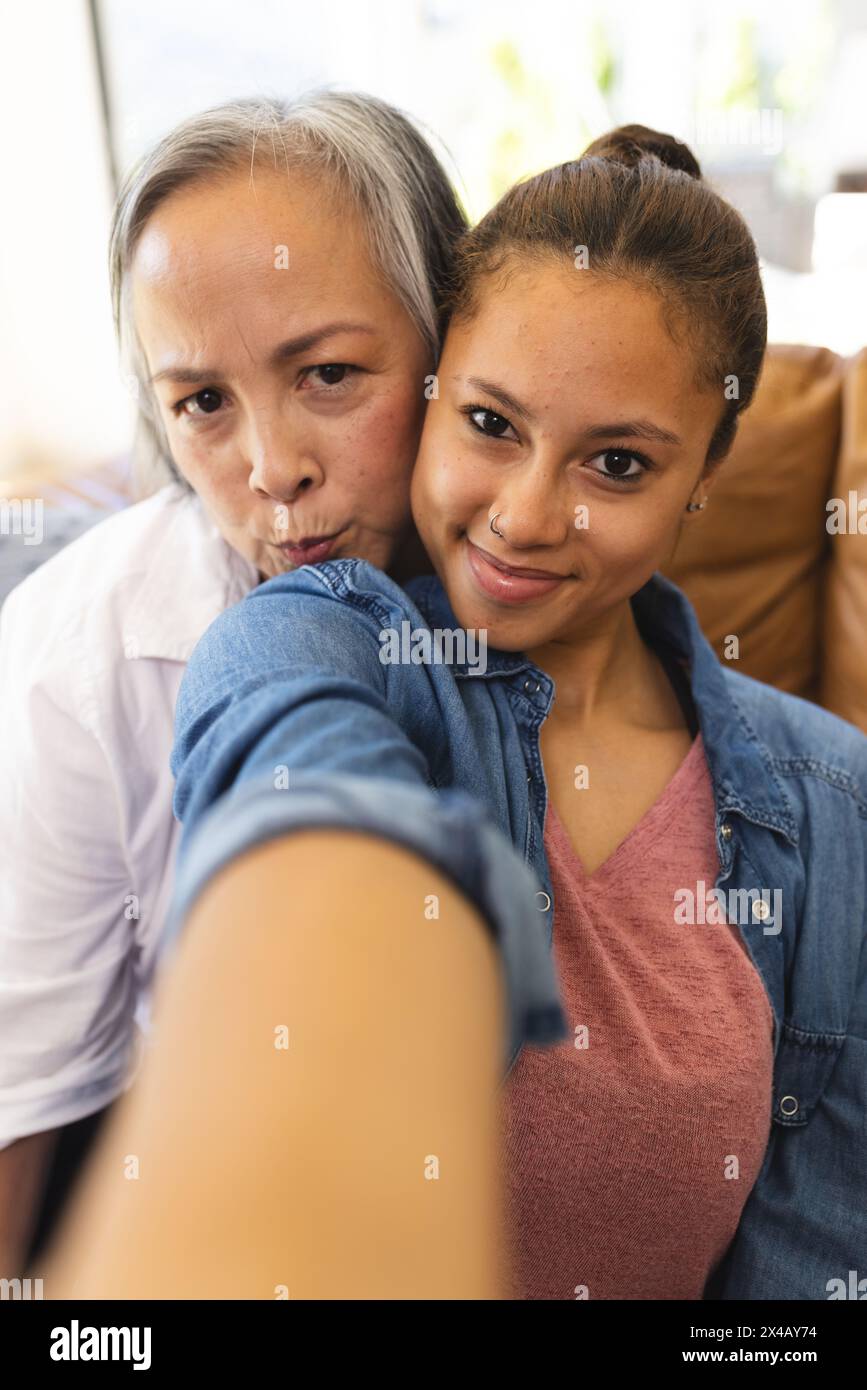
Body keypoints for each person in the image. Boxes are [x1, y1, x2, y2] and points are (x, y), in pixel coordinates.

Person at [47, 127, 867, 1300]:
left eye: (619, 466)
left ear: (703, 481)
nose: (527, 517)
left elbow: (812, 1272)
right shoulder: (316, 635)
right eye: (490, 424)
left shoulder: (837, 812)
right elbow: (308, 833)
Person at [0, 89, 468, 1274]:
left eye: (326, 375)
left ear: (450, 343)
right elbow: (25, 1099)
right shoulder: (77, 662)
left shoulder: (558, 589)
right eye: (202, 403)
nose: (272, 470)